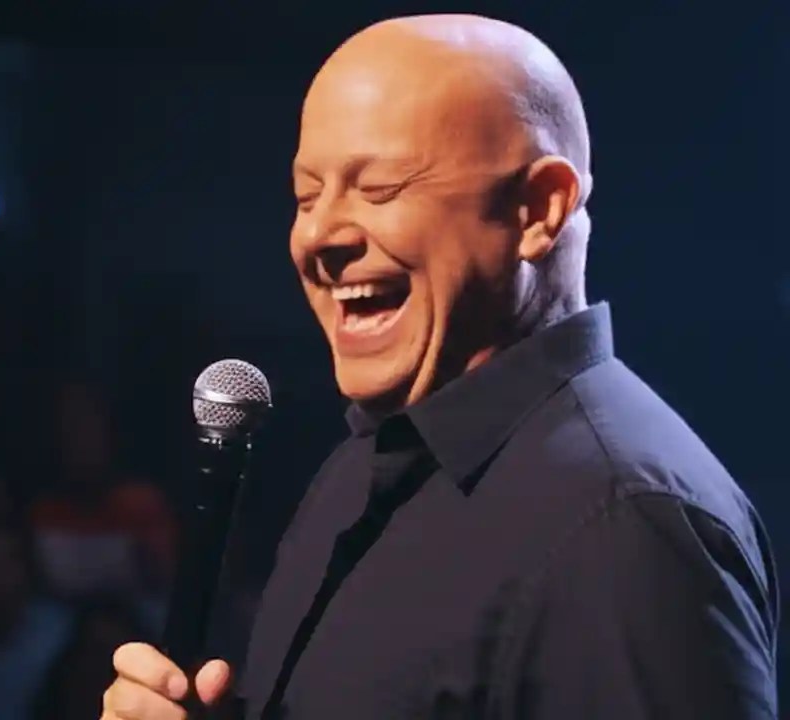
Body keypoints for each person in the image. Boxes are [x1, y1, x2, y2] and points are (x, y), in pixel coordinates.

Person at [101, 13, 779, 720]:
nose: (320, 236)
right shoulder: (361, 469)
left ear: (537, 210)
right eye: (307, 197)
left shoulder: (626, 525)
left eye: (381, 187)